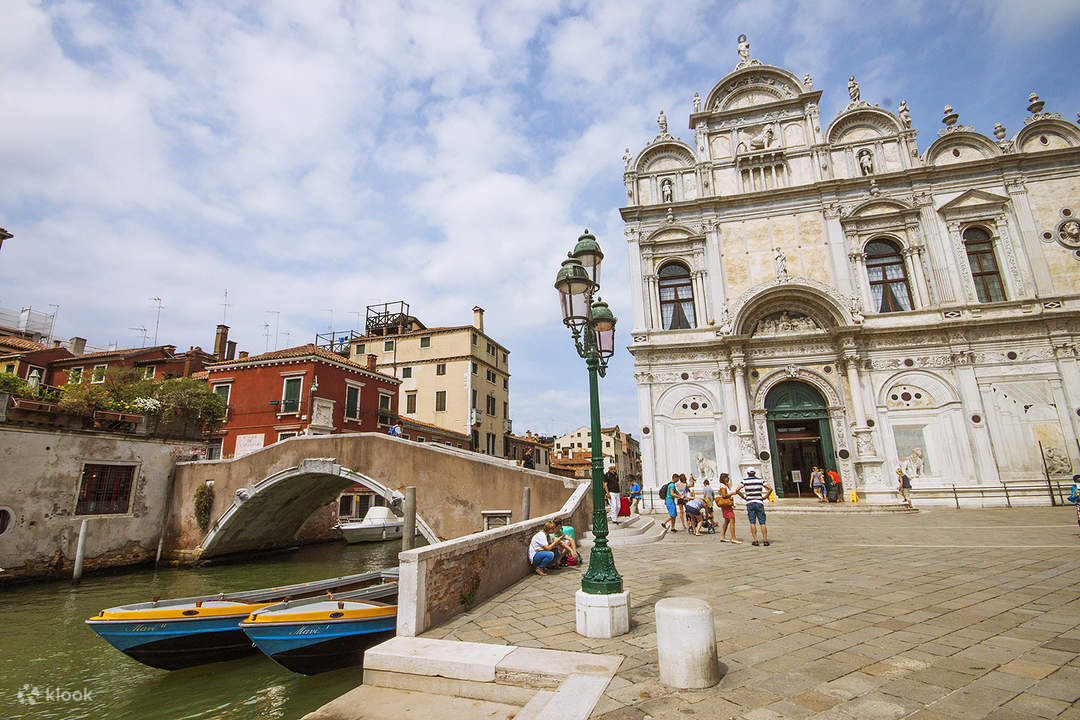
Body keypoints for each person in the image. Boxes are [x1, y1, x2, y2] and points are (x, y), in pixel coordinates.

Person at [733, 469, 773, 546]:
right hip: (759, 502)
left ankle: (755, 540)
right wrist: (765, 497)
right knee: (762, 522)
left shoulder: (744, 481)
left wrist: (744, 497)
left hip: (750, 502)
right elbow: (770, 489)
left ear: (747, 473)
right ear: (755, 473)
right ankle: (765, 540)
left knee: (752, 522)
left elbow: (737, 490)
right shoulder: (760, 480)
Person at [716, 473, 742, 543]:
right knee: (732, 520)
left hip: (726, 506)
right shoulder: (723, 486)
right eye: (727, 478)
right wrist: (732, 493)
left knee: (726, 521)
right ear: (724, 478)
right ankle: (733, 538)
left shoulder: (723, 486)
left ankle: (723, 536)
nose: (728, 479)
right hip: (727, 506)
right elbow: (724, 495)